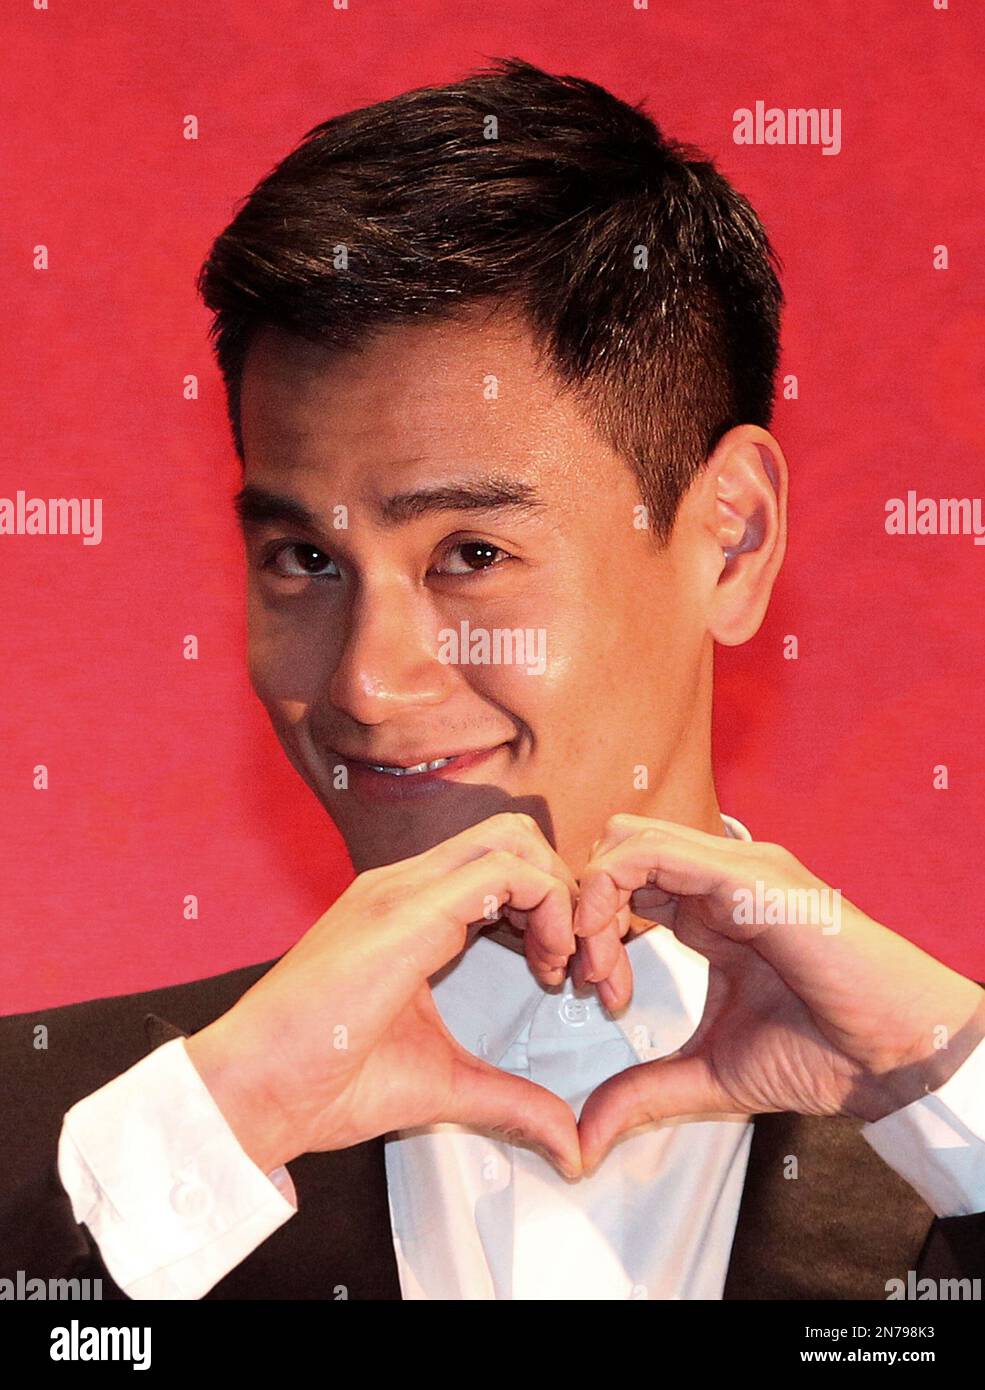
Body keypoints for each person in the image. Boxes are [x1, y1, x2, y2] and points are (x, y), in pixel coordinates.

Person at [2, 57, 983, 1302]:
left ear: (729, 539)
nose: (367, 684)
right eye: (305, 558)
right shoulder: (63, 1141)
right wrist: (213, 1133)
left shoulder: (948, 1119)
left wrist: (942, 1084)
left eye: (471, 555)